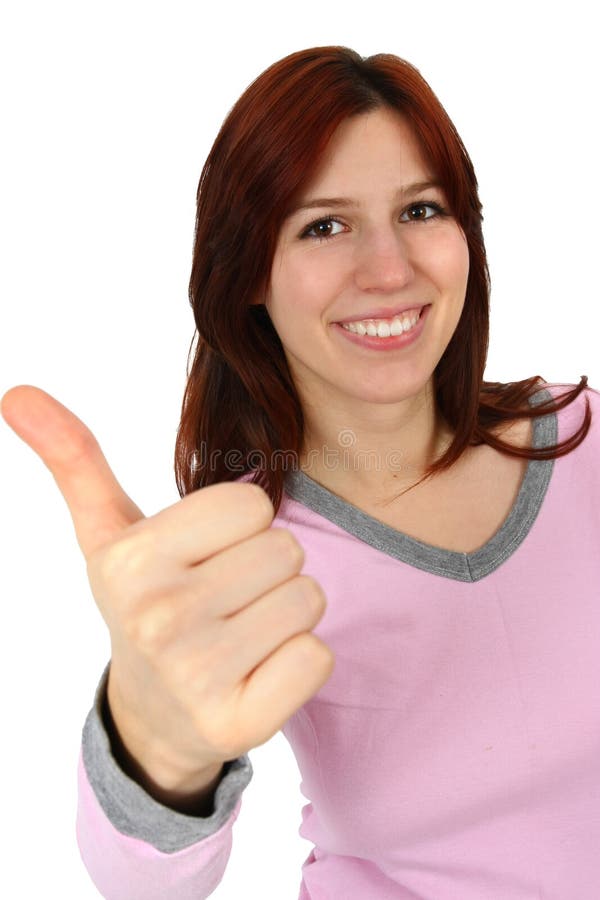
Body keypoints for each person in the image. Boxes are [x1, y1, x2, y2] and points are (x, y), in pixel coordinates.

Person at [2, 44, 598, 900]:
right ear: (249, 270)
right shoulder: (241, 554)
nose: (390, 270)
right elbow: (145, 887)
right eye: (324, 225)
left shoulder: (583, 436)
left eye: (422, 210)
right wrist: (152, 751)